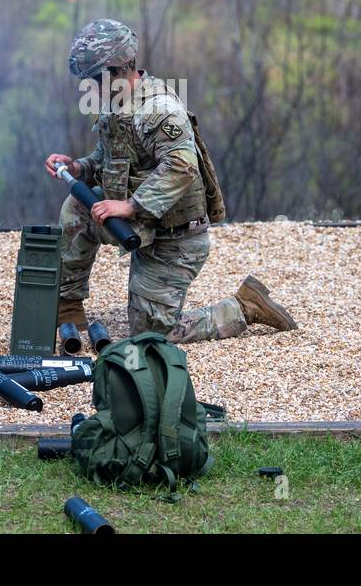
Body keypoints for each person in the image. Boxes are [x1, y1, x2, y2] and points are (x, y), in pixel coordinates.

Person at [45, 19, 298, 345]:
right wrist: (79, 168)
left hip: (174, 238)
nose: (89, 88)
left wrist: (130, 205)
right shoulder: (118, 102)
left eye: (94, 80)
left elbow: (182, 166)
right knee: (78, 205)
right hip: (138, 224)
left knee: (151, 334)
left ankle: (245, 306)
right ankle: (68, 306)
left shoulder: (159, 111)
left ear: (118, 70)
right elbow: (112, 156)